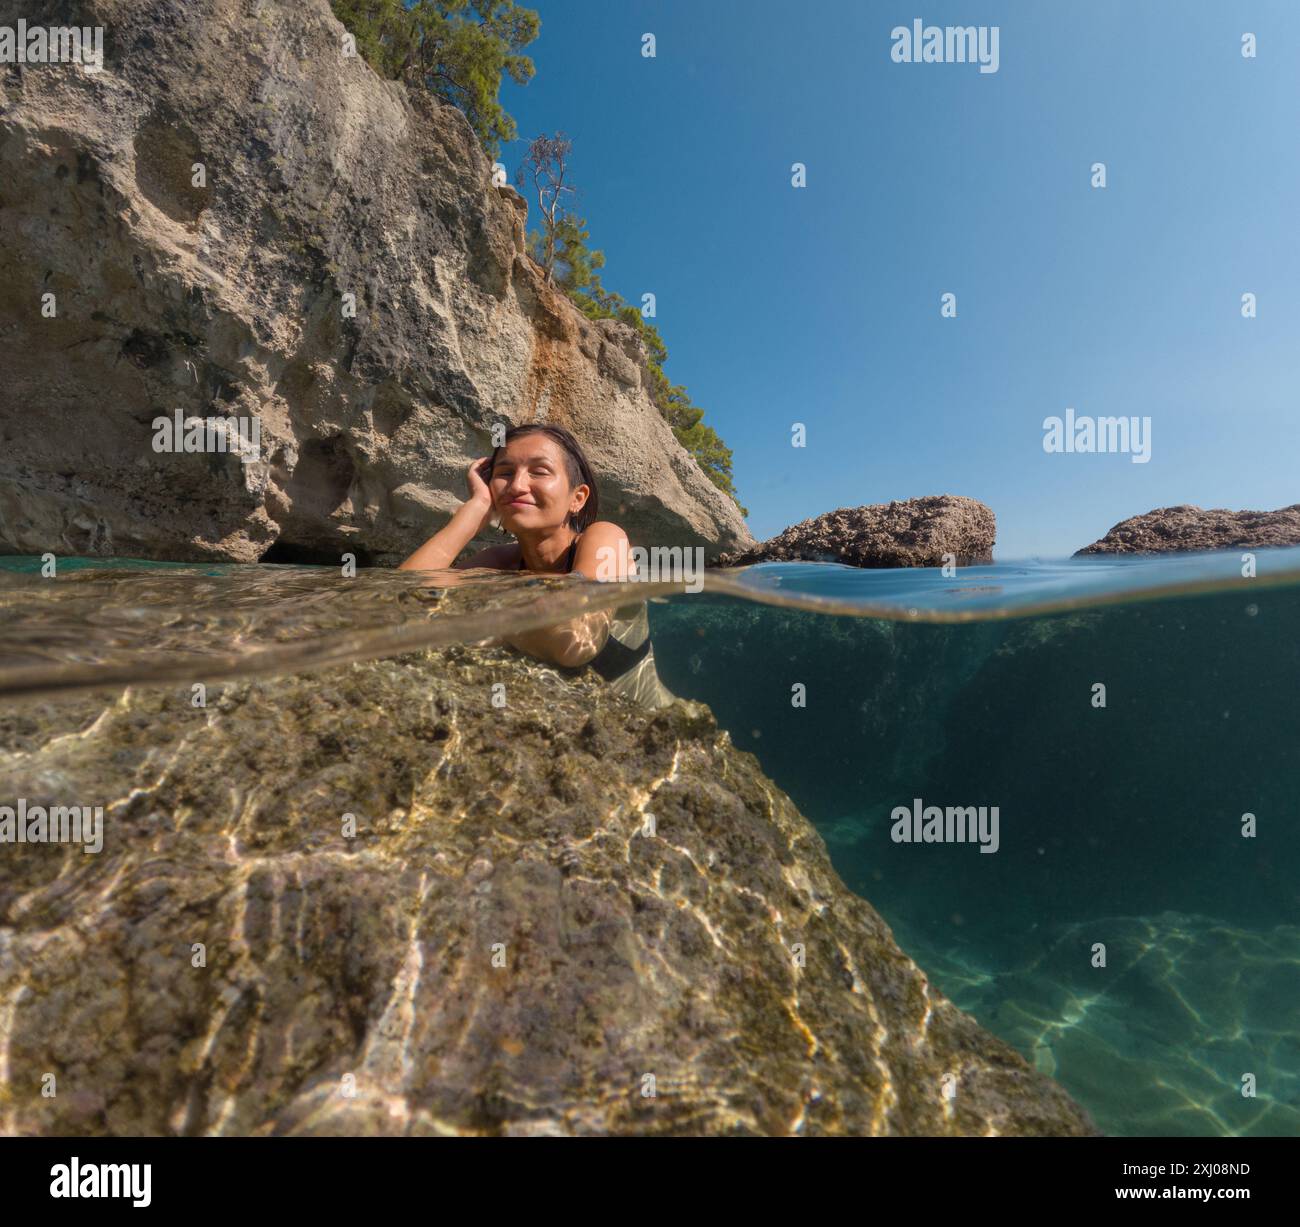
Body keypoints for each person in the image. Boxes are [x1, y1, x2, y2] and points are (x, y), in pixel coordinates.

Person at [399, 424, 677, 708]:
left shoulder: (605, 538)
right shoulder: (499, 560)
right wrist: (473, 512)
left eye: (539, 471)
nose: (516, 486)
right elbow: (400, 603)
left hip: (647, 722)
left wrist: (471, 614)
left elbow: (575, 639)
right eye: (504, 473)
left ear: (577, 498)